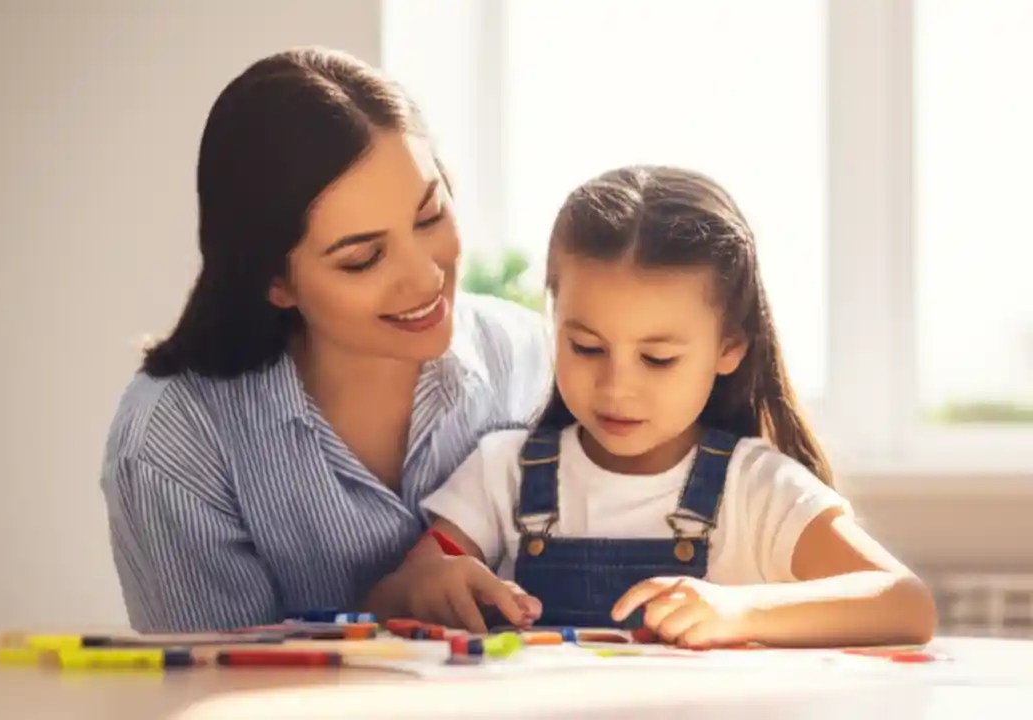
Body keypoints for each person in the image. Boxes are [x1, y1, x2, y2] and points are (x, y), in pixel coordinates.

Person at [365, 166, 937, 648]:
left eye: (658, 358)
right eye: (585, 347)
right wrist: (427, 586)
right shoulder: (503, 472)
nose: (617, 387)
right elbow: (392, 593)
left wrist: (740, 612)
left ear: (729, 348)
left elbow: (905, 604)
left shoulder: (755, 486)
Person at [100, 47, 551, 631]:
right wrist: (386, 614)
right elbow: (214, 690)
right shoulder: (173, 441)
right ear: (276, 282)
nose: (425, 276)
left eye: (429, 215)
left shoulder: (530, 359)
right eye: (364, 258)